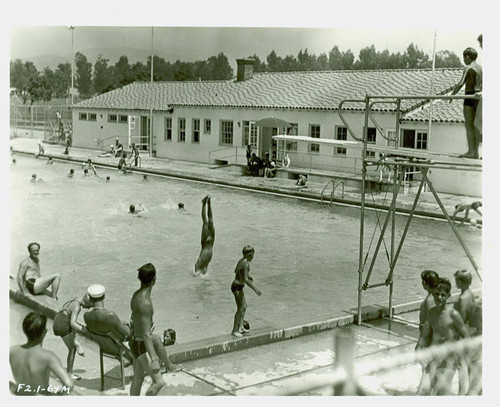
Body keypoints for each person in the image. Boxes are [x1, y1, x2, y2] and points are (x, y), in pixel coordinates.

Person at [129, 263, 180, 396]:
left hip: (135, 341)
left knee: (138, 379)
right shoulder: (146, 303)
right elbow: (146, 335)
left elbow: (135, 320)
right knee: (158, 382)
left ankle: (170, 366)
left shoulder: (136, 295)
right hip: (141, 345)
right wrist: (154, 358)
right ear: (154, 280)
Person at [416, 277, 470, 395]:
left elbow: (467, 337)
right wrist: (419, 350)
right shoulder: (431, 313)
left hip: (449, 361)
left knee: (441, 394)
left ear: (448, 296)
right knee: (423, 392)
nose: (439, 298)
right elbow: (424, 336)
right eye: (436, 294)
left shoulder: (453, 314)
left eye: (443, 295)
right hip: (434, 358)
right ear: (433, 294)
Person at [10, 312, 74, 395]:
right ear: (44, 332)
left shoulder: (12, 351)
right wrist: (56, 396)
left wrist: (14, 388)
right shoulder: (48, 357)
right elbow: (69, 384)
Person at [53, 289, 95, 380]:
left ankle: (75, 341)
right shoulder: (77, 307)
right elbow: (73, 323)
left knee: (73, 338)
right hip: (63, 324)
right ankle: (69, 373)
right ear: (86, 302)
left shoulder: (78, 299)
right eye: (88, 306)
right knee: (72, 350)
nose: (88, 308)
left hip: (58, 318)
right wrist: (85, 330)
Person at [449, 47, 482, 159]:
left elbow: (460, 83)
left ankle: (471, 152)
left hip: (469, 96)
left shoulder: (468, 67)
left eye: (464, 57)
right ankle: (476, 152)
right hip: (478, 97)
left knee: (468, 125)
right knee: (476, 125)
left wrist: (452, 95)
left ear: (467, 57)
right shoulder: (481, 68)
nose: (463, 60)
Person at [415, 270, 439, 395]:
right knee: (429, 366)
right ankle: (430, 391)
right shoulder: (434, 296)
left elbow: (428, 322)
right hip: (432, 335)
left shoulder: (430, 300)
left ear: (426, 283)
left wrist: (420, 342)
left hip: (428, 335)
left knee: (425, 366)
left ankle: (420, 394)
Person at [231, 246, 262, 337]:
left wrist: (248, 276)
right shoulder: (246, 264)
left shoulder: (241, 261)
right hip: (237, 287)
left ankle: (240, 327)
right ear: (249, 254)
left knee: (244, 306)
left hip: (237, 286)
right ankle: (235, 330)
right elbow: (245, 279)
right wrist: (255, 289)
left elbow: (236, 271)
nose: (253, 257)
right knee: (240, 308)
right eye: (252, 255)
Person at [194, 195, 215, 276]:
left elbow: (196, 267)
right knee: (207, 222)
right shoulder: (201, 267)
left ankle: (206, 204)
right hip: (208, 243)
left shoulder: (200, 266)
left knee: (208, 221)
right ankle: (205, 204)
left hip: (207, 243)